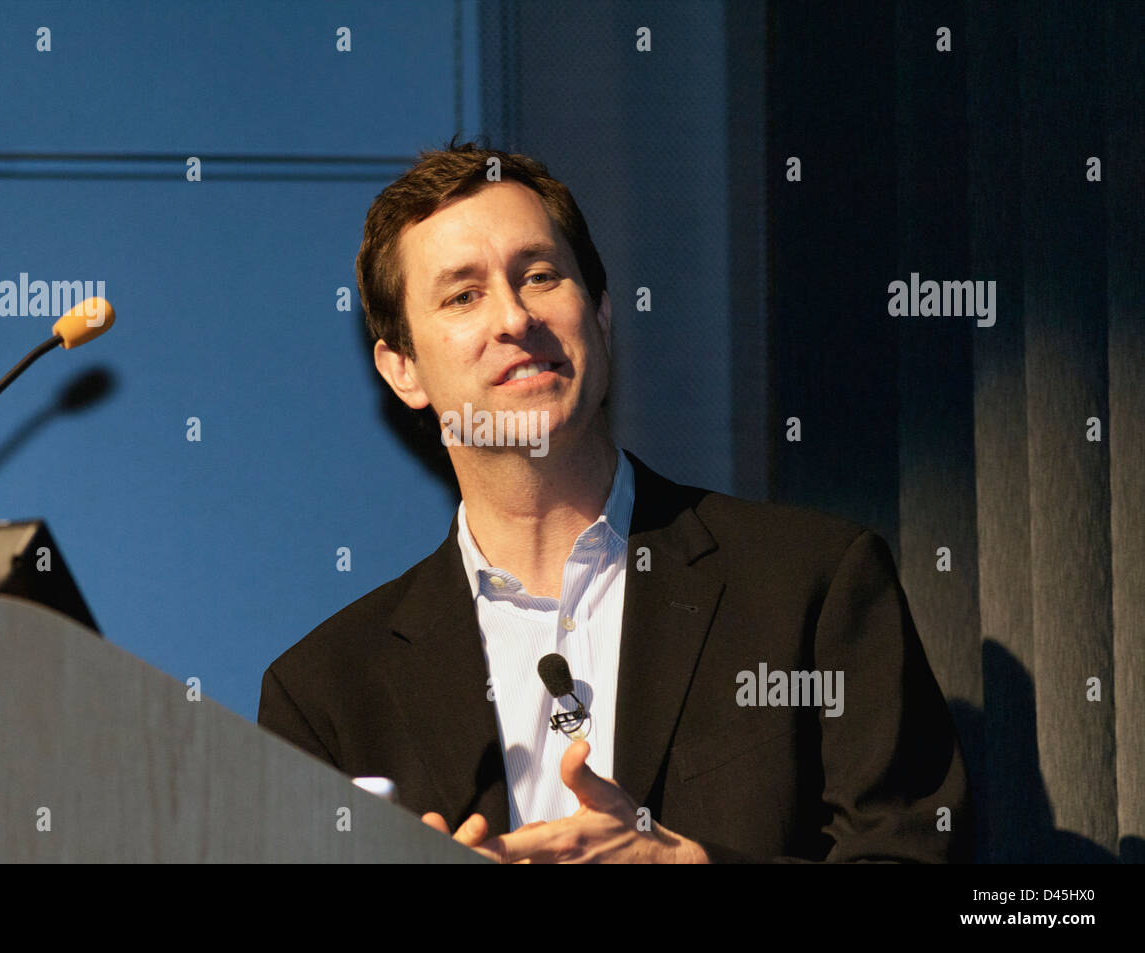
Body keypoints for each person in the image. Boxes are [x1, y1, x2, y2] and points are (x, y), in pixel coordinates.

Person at [258, 141, 971, 864]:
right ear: (402, 368)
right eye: (463, 294)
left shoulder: (812, 584)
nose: (513, 317)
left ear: (599, 314)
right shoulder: (325, 696)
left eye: (539, 276)